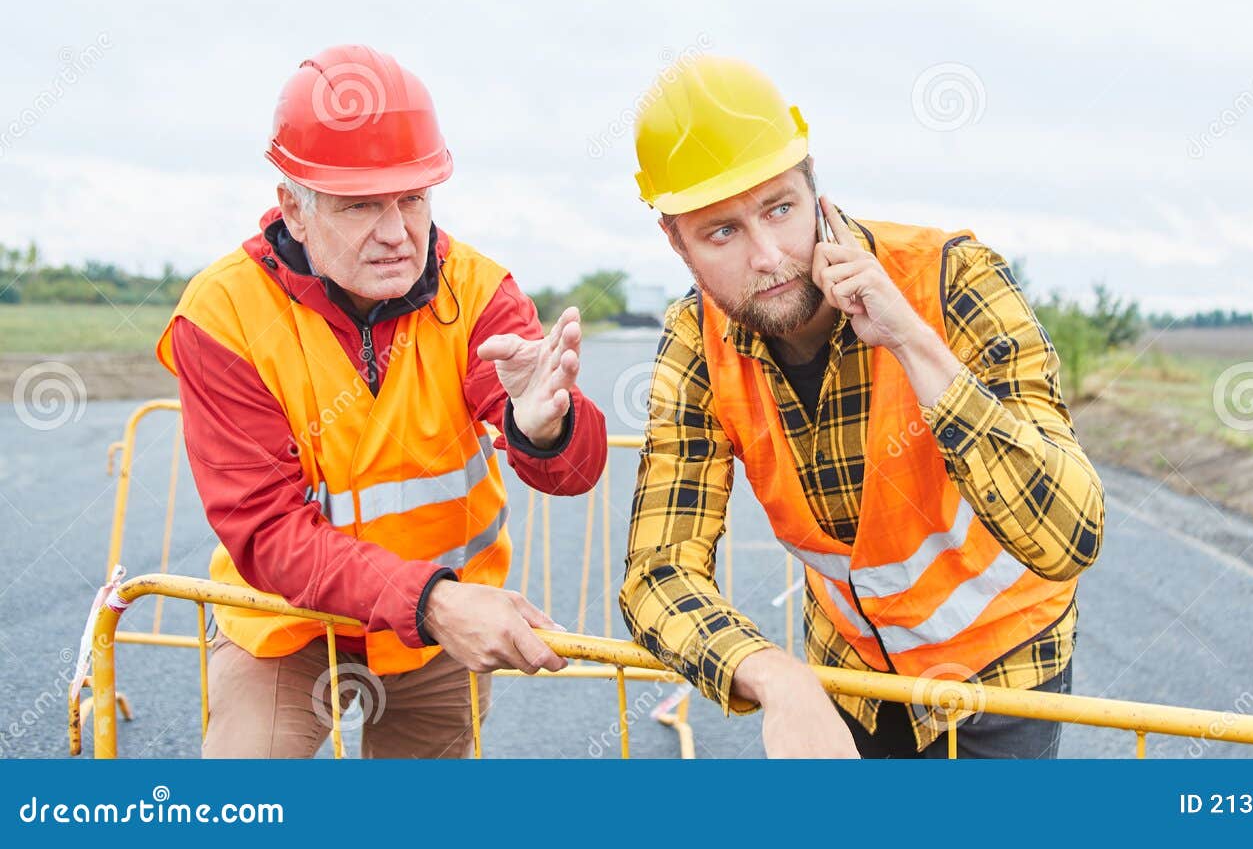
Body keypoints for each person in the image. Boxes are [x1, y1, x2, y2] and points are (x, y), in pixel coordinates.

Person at [620, 55, 1105, 758]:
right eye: (721, 231)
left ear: (814, 183)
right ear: (675, 241)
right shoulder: (697, 339)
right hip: (850, 675)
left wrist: (913, 342)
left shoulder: (953, 278)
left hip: (998, 672)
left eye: (779, 209)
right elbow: (656, 573)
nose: (769, 256)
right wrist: (776, 678)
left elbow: (1072, 535)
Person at [156, 44, 607, 757]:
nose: (398, 233)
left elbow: (574, 473)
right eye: (361, 204)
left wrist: (543, 428)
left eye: (413, 198)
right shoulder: (222, 316)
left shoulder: (480, 291)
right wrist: (431, 599)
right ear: (293, 211)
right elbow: (266, 529)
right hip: (289, 624)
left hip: (436, 641)